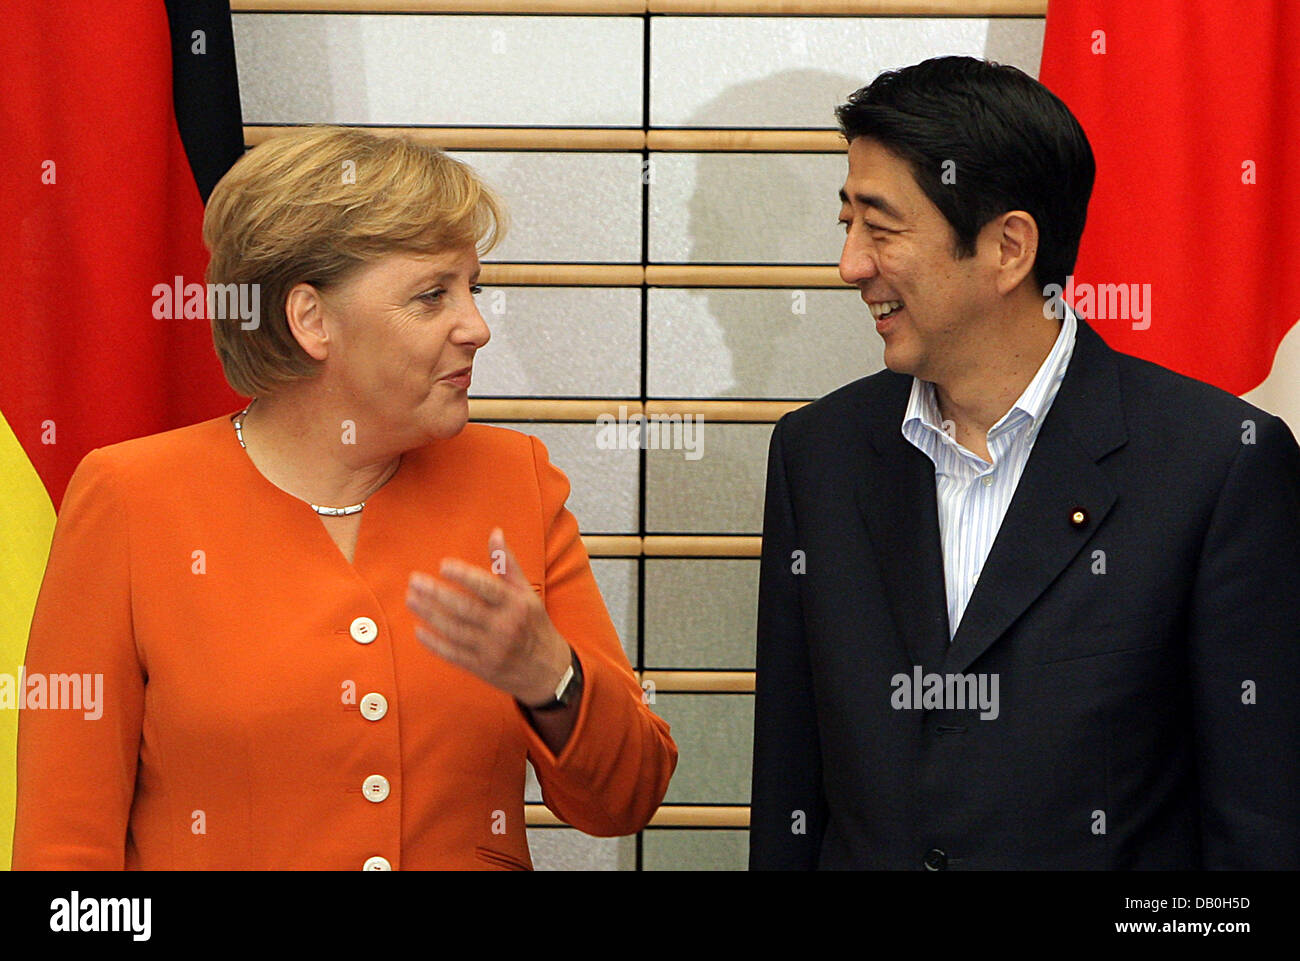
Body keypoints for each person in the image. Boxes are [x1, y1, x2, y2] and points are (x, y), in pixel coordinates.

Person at [12, 125, 676, 870]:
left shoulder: (513, 479)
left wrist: (550, 677)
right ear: (310, 319)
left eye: (473, 289)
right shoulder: (131, 498)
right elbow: (63, 851)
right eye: (433, 296)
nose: (478, 327)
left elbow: (627, 797)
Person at [749, 56, 1300, 869]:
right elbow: (790, 796)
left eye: (882, 225)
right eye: (847, 224)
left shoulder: (1219, 467)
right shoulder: (816, 456)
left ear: (1009, 248)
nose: (851, 265)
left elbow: (1257, 839)